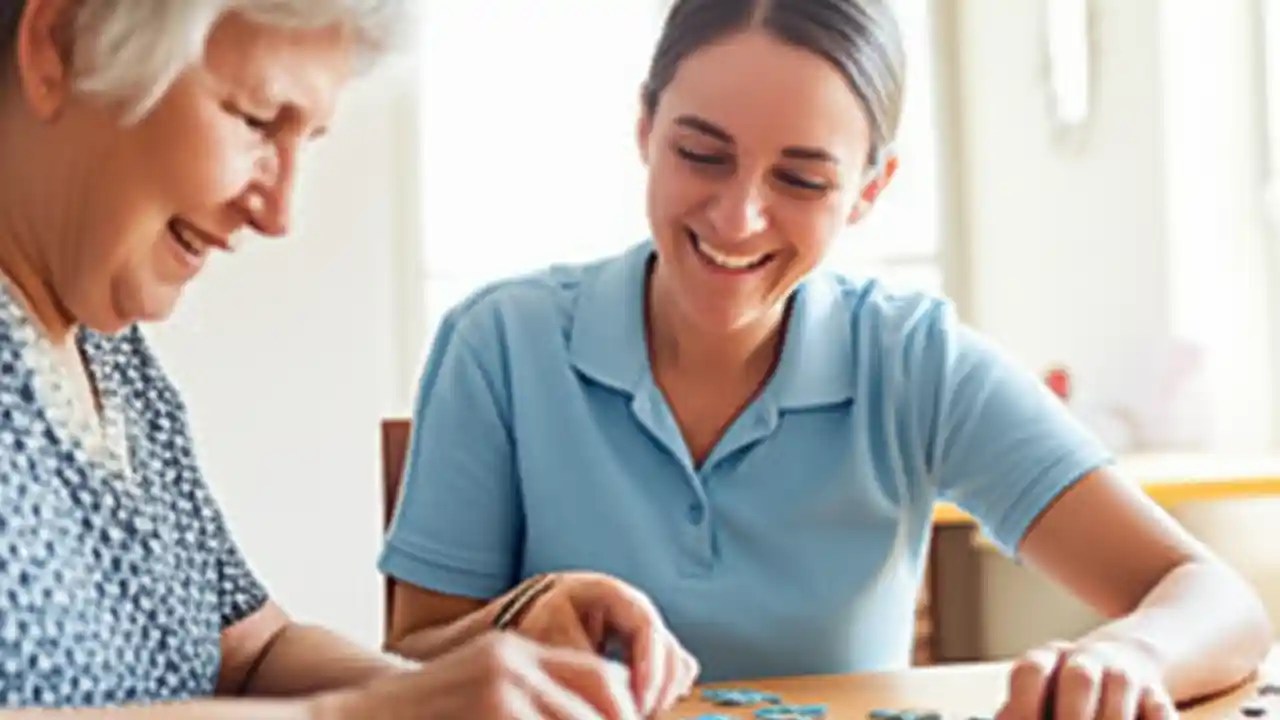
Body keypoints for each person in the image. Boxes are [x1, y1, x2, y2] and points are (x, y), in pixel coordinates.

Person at [378, 0, 1274, 718]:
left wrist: (1129, 654)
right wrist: (523, 614)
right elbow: (410, 658)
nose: (738, 218)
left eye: (802, 179)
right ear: (645, 128)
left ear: (869, 189)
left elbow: (1218, 599)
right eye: (701, 154)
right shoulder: (502, 343)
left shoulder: (913, 360)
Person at [0, 0, 695, 716]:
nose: (278, 213)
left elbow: (251, 652)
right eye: (256, 120)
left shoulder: (113, 361)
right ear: (60, 46)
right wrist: (353, 716)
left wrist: (459, 693)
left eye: (306, 141)